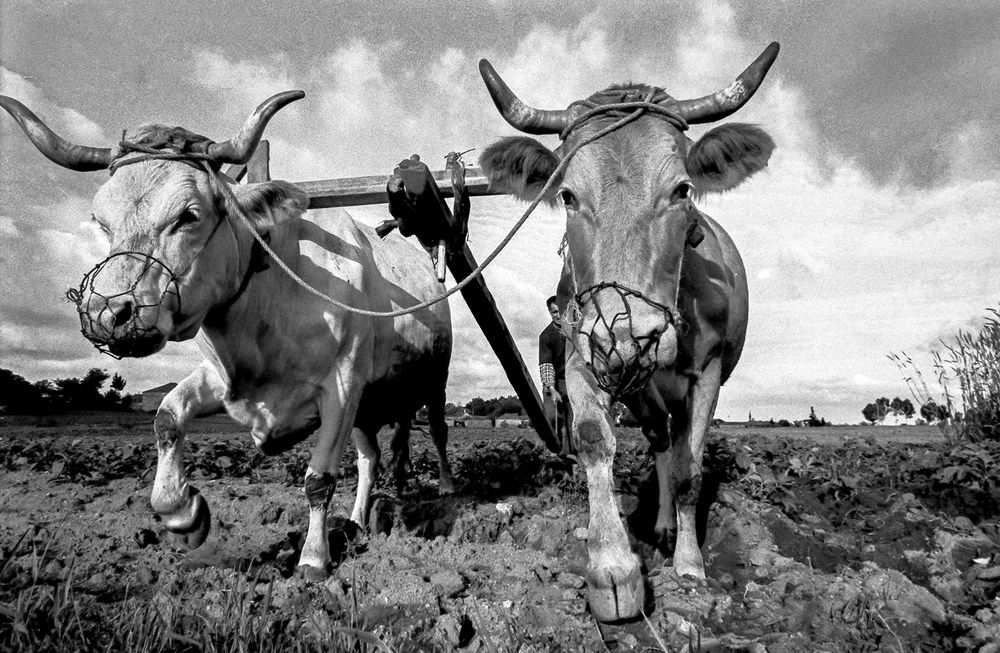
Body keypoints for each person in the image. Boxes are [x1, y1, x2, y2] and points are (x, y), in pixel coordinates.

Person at [539, 295, 573, 456]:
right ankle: (552, 452)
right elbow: (546, 365)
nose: (557, 315)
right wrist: (552, 390)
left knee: (573, 419)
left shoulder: (575, 331)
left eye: (560, 311)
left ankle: (571, 453)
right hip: (553, 380)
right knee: (552, 417)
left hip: (572, 380)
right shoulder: (546, 336)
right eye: (553, 312)